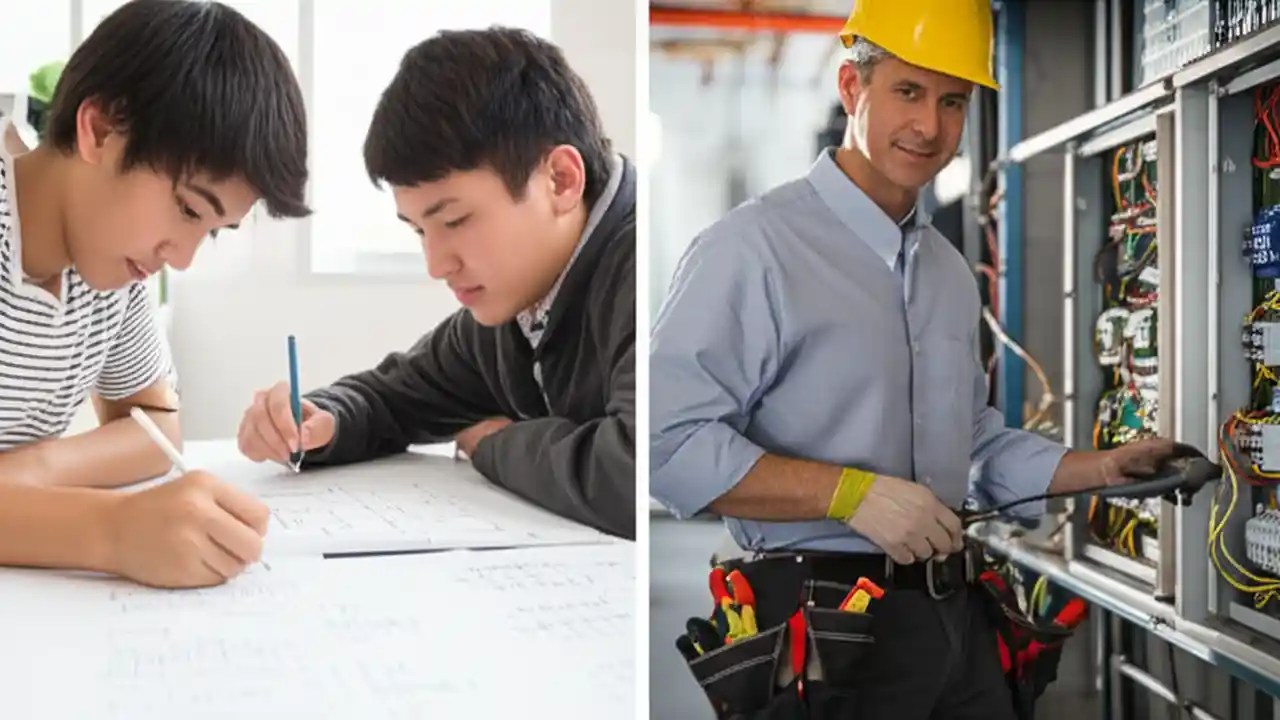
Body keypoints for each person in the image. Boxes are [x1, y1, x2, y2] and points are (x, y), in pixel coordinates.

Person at [649, 0, 1175, 716]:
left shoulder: (947, 273)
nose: (930, 126)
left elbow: (976, 449)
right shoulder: (751, 250)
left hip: (956, 626)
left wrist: (1100, 469)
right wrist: (850, 495)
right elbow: (666, 444)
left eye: (952, 101)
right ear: (850, 89)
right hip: (823, 632)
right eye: (908, 92)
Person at [236, 28, 636, 540]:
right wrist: (321, 420)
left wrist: (490, 445)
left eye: (456, 220)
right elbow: (395, 398)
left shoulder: (636, 267)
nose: (437, 263)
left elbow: (630, 473)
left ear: (559, 179)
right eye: (420, 230)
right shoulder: (516, 303)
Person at [0, 0, 308, 589]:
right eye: (188, 208)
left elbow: (156, 429)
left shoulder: (108, 266)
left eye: (210, 231)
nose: (183, 256)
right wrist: (109, 530)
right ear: (100, 130)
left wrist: (28, 474)